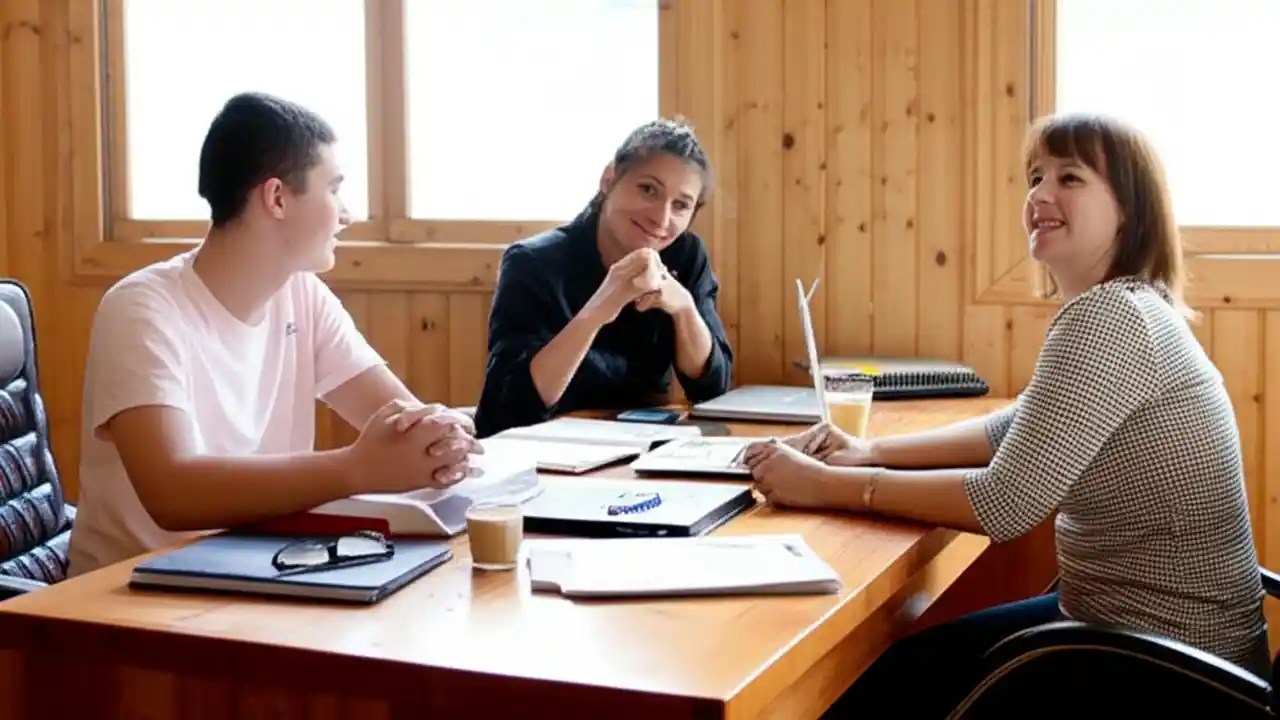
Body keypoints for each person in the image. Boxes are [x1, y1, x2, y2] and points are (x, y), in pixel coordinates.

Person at [743, 113, 1268, 716]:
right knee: (897, 671)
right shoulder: (1132, 308)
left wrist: (827, 486)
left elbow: (1006, 504)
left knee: (881, 691)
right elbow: (1013, 430)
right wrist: (870, 451)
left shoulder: (1110, 320)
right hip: (1163, 638)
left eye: (1070, 178)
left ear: (1129, 209)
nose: (1040, 195)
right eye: (1035, 176)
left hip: (1169, 668)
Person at [67, 92, 478, 576]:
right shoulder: (141, 308)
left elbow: (405, 424)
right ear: (277, 197)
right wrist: (354, 467)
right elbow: (173, 492)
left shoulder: (302, 295)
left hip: (257, 573)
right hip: (125, 603)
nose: (347, 215)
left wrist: (442, 438)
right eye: (334, 189)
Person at [473, 118, 733, 438]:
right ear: (609, 179)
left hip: (640, 449)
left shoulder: (685, 255)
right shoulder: (532, 262)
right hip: (544, 450)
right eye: (648, 189)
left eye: (680, 205)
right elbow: (510, 408)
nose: (661, 218)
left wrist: (684, 309)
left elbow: (712, 387)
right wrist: (598, 310)